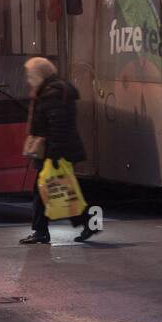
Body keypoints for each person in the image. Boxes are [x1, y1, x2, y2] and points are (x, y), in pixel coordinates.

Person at [19, 57, 99, 244]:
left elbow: (59, 126)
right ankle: (83, 223)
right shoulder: (52, 90)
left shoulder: (51, 93)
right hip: (55, 150)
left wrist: (54, 155)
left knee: (50, 191)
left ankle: (42, 231)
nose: (28, 80)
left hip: (53, 151)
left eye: (30, 75)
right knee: (57, 191)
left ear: (39, 75)